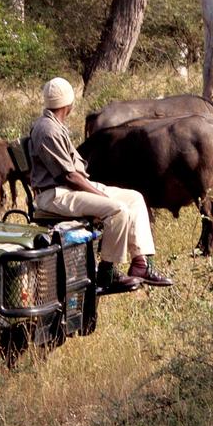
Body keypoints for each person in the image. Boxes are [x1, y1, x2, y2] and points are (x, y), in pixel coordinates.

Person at [24, 77, 171, 292]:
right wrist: (100, 195)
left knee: (135, 198)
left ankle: (141, 264)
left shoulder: (54, 125)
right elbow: (69, 176)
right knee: (117, 209)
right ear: (69, 104)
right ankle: (107, 272)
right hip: (55, 194)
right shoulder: (48, 130)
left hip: (68, 189)